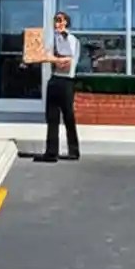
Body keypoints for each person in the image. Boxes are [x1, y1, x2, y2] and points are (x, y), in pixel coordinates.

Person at [37, 11, 80, 163]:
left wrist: (52, 58)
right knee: (52, 117)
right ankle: (51, 152)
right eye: (56, 20)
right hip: (54, 79)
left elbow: (67, 61)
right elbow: (45, 55)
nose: (57, 23)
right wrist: (53, 59)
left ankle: (73, 151)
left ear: (66, 22)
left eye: (60, 20)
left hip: (66, 81)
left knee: (68, 117)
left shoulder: (71, 39)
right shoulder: (53, 39)